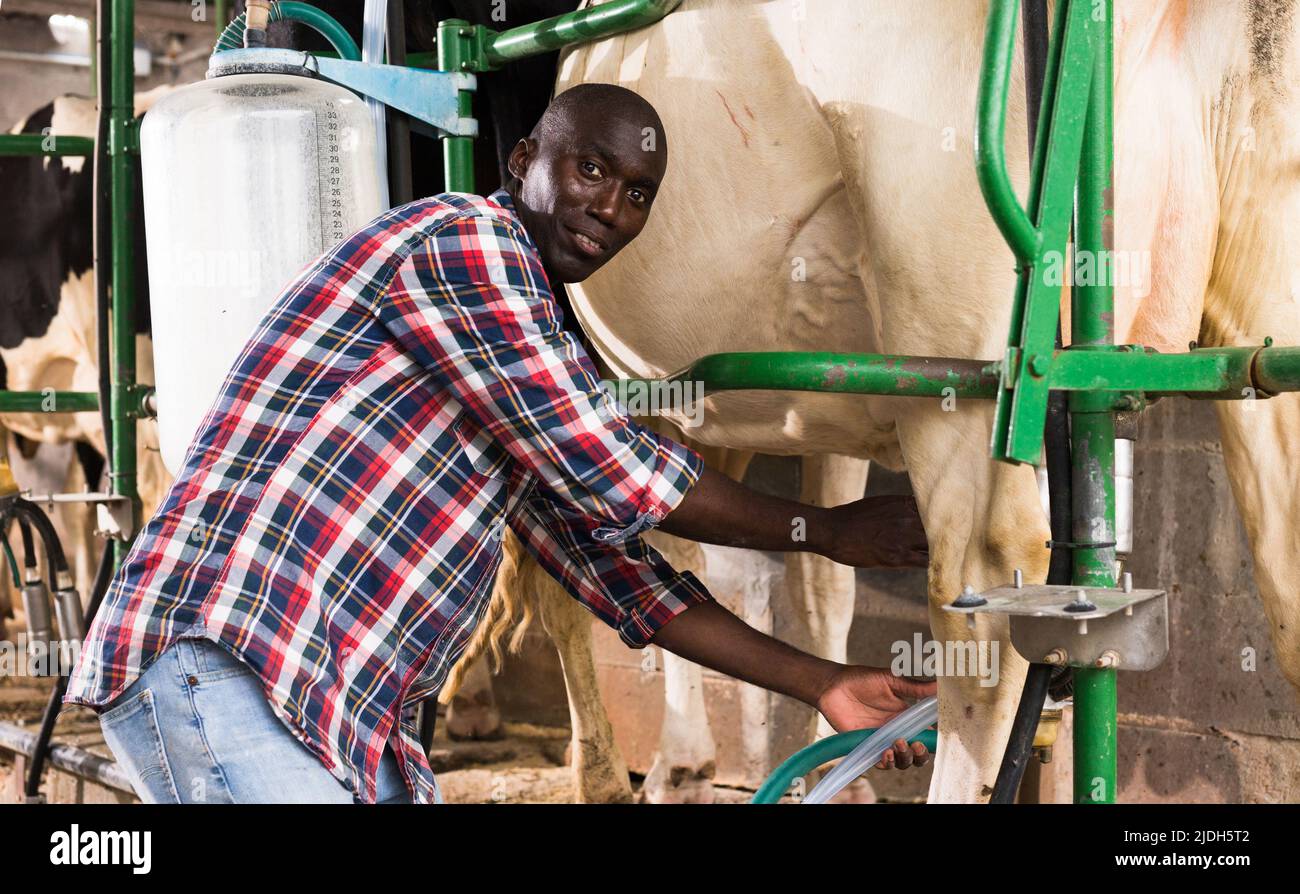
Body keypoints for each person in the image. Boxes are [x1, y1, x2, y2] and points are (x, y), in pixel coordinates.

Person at [65, 84, 934, 804]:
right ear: (524, 161)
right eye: (591, 169)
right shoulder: (465, 243)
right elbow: (616, 473)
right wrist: (824, 530)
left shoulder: (526, 354)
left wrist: (823, 682)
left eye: (637, 193)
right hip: (229, 664)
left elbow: (621, 573)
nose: (610, 207)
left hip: (324, 709)